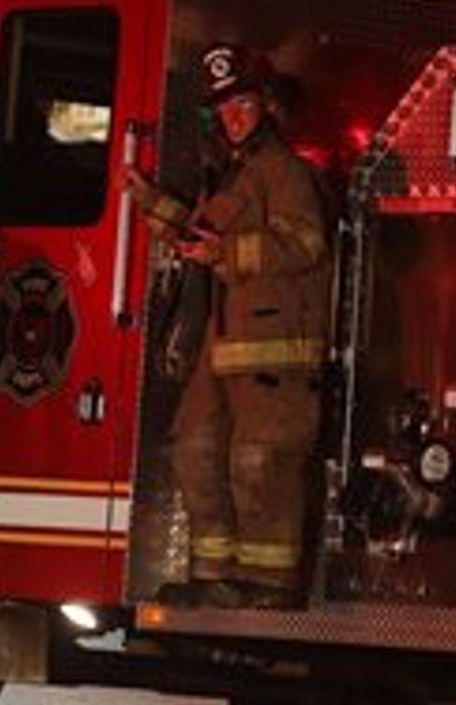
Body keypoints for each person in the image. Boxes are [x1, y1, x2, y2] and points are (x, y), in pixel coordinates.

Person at [125, 44, 334, 609]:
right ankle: (213, 574)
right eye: (224, 108)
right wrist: (152, 206)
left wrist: (229, 252)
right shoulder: (232, 176)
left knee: (260, 461)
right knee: (195, 450)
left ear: (265, 105)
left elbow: (306, 243)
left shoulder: (283, 171)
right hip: (222, 349)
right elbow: (200, 237)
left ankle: (268, 585)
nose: (234, 117)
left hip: (273, 351)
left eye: (243, 103)